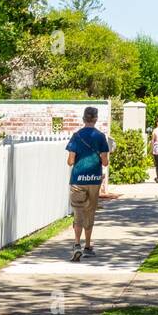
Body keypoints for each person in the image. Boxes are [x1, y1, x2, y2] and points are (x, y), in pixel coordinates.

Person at [65, 106, 110, 261]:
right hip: (94, 180)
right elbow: (105, 162)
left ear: (84, 119)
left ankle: (77, 244)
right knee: (90, 212)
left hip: (78, 179)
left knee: (78, 212)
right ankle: (88, 246)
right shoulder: (100, 137)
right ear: (96, 119)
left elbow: (70, 161)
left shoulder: (76, 136)